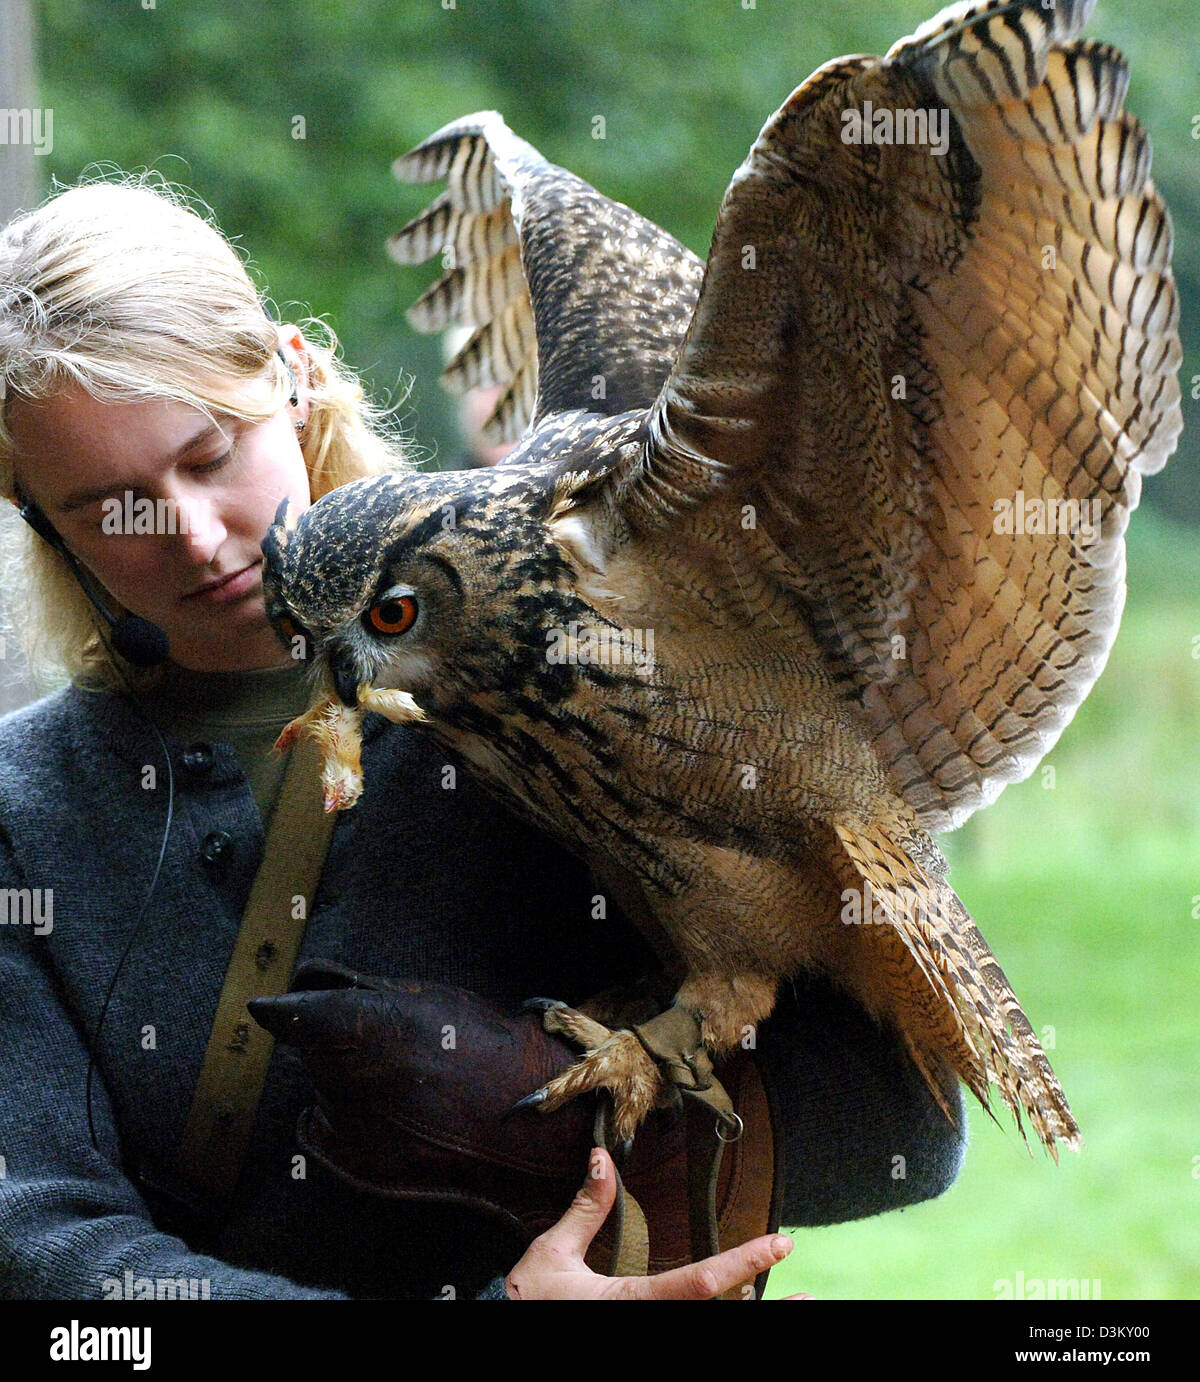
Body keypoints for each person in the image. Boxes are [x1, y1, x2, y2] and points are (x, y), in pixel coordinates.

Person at [0, 176, 965, 1301]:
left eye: (211, 455)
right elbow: (40, 1251)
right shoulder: (28, 816)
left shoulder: (575, 662)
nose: (197, 533)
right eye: (112, 505)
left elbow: (903, 1120)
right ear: (37, 521)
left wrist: (569, 1123)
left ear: (295, 376)